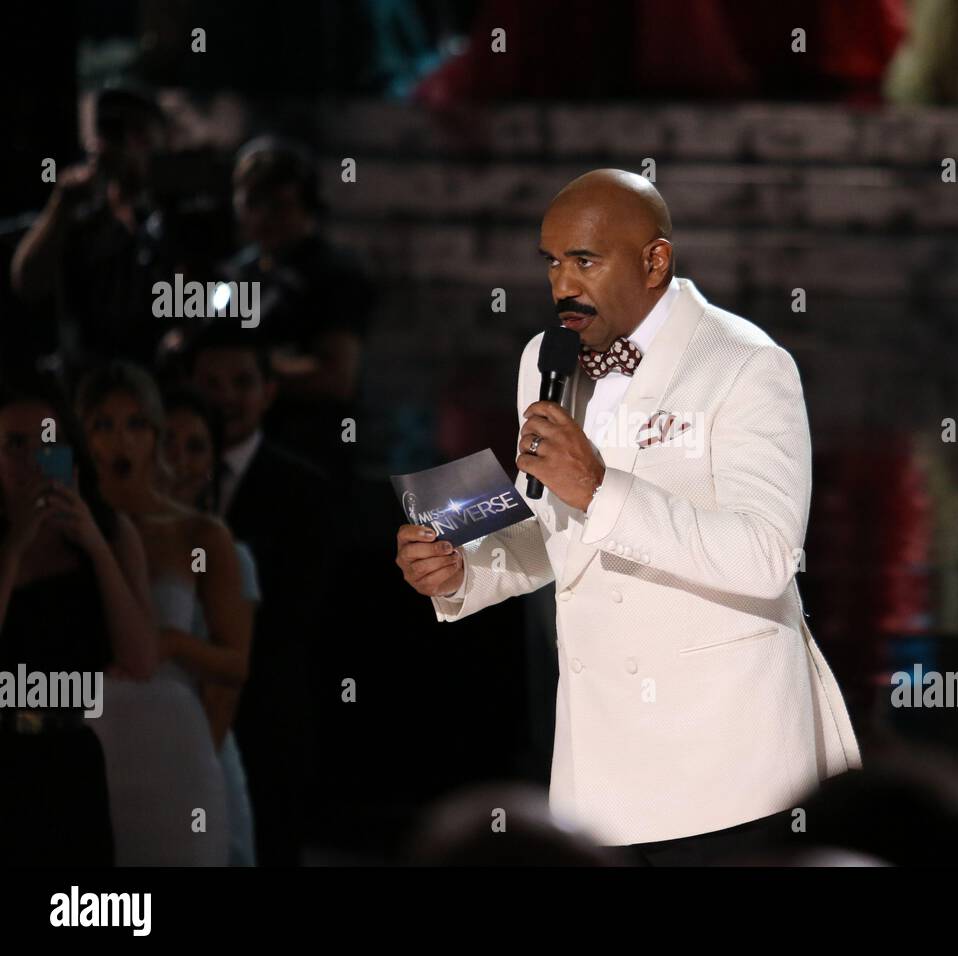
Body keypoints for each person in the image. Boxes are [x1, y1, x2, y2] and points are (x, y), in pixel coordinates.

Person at [395, 168, 862, 865]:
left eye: (585, 260)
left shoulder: (747, 365)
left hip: (729, 766)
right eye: (552, 262)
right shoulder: (543, 358)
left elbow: (766, 557)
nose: (562, 284)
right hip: (600, 768)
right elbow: (558, 526)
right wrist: (465, 570)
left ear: (655, 261)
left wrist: (599, 487)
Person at [77, 362, 246, 865]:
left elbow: (236, 662)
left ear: (154, 435)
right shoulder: (63, 530)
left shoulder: (199, 533)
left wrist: (170, 642)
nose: (120, 441)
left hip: (173, 743)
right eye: (102, 425)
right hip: (84, 738)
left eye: (135, 425)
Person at [187, 322, 333, 866]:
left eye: (241, 382)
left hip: (268, 719)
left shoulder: (306, 490)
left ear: (268, 392)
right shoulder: (157, 481)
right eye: (210, 383)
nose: (225, 398)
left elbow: (301, 616)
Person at [0, 374, 156, 865]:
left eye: (46, 442)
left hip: (73, 749)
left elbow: (141, 660)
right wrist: (14, 549)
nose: (31, 460)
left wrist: (93, 543)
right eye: (13, 445)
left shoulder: (110, 531)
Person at [221, 135, 373, 475]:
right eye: (252, 203)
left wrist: (254, 373)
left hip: (312, 454)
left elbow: (337, 378)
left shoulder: (334, 273)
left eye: (277, 205)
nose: (263, 217)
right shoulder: (237, 270)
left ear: (306, 205)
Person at [162, 385, 261, 865]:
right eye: (167, 442)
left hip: (194, 751)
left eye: (195, 447)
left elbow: (227, 686)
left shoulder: (227, 554)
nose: (178, 459)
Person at [9, 86, 173, 371]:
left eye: (140, 134)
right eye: (115, 133)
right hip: (87, 375)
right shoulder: (80, 219)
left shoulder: (167, 219)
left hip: (155, 375)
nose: (130, 147)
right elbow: (28, 281)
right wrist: (62, 206)